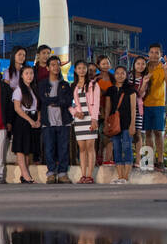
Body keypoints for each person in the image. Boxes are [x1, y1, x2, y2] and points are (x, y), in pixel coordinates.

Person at [36, 55, 72, 183]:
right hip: (47, 121)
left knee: (63, 148)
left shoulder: (65, 85)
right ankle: (51, 173)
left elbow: (67, 101)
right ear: (48, 68)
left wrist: (55, 102)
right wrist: (57, 100)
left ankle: (62, 173)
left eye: (58, 65)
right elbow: (43, 100)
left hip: (63, 121)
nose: (56, 67)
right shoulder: (42, 84)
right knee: (49, 148)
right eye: (53, 65)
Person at [105, 65, 138, 183]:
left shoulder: (131, 89)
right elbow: (108, 108)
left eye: (122, 73)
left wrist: (132, 124)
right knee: (117, 148)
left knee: (127, 147)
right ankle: (120, 176)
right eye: (117, 73)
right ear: (114, 75)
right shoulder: (110, 90)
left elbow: (134, 108)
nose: (120, 75)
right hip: (114, 124)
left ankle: (126, 176)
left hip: (127, 123)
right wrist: (105, 123)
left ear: (126, 75)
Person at [141, 44, 167, 172]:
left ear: (160, 55)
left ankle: (160, 161)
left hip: (159, 104)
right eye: (151, 52)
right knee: (147, 133)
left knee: (158, 133)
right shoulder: (144, 67)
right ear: (148, 54)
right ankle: (149, 160)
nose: (154, 55)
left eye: (156, 53)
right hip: (144, 104)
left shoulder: (165, 67)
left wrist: (165, 70)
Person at [10, 64, 41, 183]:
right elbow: (17, 108)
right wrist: (30, 120)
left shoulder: (34, 89)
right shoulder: (19, 90)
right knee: (21, 149)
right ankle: (26, 175)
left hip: (33, 119)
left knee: (27, 149)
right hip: (22, 120)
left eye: (31, 73)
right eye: (26, 73)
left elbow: (38, 107)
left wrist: (38, 120)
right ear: (22, 76)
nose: (29, 76)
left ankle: (25, 175)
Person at [70, 64, 101, 183]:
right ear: (76, 70)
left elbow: (97, 102)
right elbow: (69, 104)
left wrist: (94, 119)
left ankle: (89, 176)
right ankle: (83, 175)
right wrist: (75, 112)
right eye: (79, 68)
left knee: (90, 147)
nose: (82, 70)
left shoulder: (93, 85)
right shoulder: (73, 86)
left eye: (84, 68)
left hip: (90, 118)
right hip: (79, 119)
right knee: (82, 148)